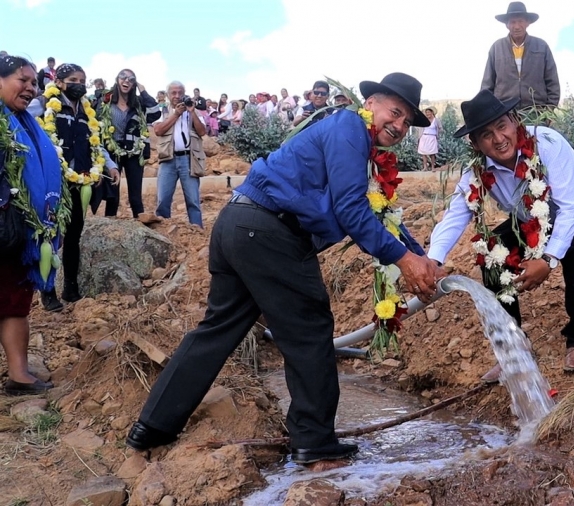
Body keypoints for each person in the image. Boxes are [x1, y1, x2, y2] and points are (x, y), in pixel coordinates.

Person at [126, 73, 440, 464]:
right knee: (309, 330)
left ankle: (152, 426)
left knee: (218, 329)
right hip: (269, 232)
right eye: (395, 112)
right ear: (371, 103)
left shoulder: (357, 145)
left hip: (238, 224)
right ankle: (314, 441)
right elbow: (351, 210)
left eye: (407, 122)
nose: (399, 125)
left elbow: (381, 214)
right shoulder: (349, 128)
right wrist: (405, 260)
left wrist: (422, 257)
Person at [427, 90, 574, 381]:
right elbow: (456, 215)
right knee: (492, 252)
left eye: (502, 126)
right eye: (486, 135)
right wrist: (433, 260)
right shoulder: (477, 171)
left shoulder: (547, 143)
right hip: (530, 218)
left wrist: (547, 260)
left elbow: (572, 207)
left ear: (514, 121)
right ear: (475, 143)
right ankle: (515, 347)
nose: (499, 139)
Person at [0, 55, 68, 395]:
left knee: (14, 302)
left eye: (34, 83)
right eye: (22, 80)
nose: (30, 87)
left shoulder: (28, 124)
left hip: (20, 233)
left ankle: (20, 375)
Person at [30, 63, 121, 311]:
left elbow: (96, 143)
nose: (78, 85)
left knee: (73, 235)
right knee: (50, 236)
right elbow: (20, 117)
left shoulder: (87, 110)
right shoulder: (44, 103)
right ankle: (47, 291)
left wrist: (109, 166)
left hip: (80, 182)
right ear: (59, 82)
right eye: (73, 80)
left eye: (82, 80)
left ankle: (71, 288)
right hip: (52, 183)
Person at [93, 68, 161, 218]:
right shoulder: (106, 101)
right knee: (113, 195)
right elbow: (95, 122)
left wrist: (143, 91)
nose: (126, 81)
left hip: (134, 152)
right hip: (112, 151)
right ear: (117, 80)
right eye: (123, 77)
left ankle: (140, 224)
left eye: (131, 79)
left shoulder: (139, 103)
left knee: (135, 196)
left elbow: (156, 112)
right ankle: (109, 226)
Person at [481, 2, 559, 112]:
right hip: (504, 113)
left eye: (520, 21)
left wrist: (549, 111)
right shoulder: (496, 48)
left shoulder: (541, 46)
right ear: (507, 25)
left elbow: (552, 81)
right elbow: (487, 85)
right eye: (512, 22)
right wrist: (491, 113)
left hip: (536, 112)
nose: (517, 26)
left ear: (527, 23)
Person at [153, 80, 207, 227]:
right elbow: (158, 130)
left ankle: (197, 230)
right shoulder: (162, 110)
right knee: (163, 199)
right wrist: (176, 114)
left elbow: (202, 132)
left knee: (193, 200)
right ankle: (162, 230)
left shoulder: (193, 110)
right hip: (168, 159)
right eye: (173, 93)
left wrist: (192, 112)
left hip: (189, 159)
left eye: (180, 93)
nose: (177, 96)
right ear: (168, 95)